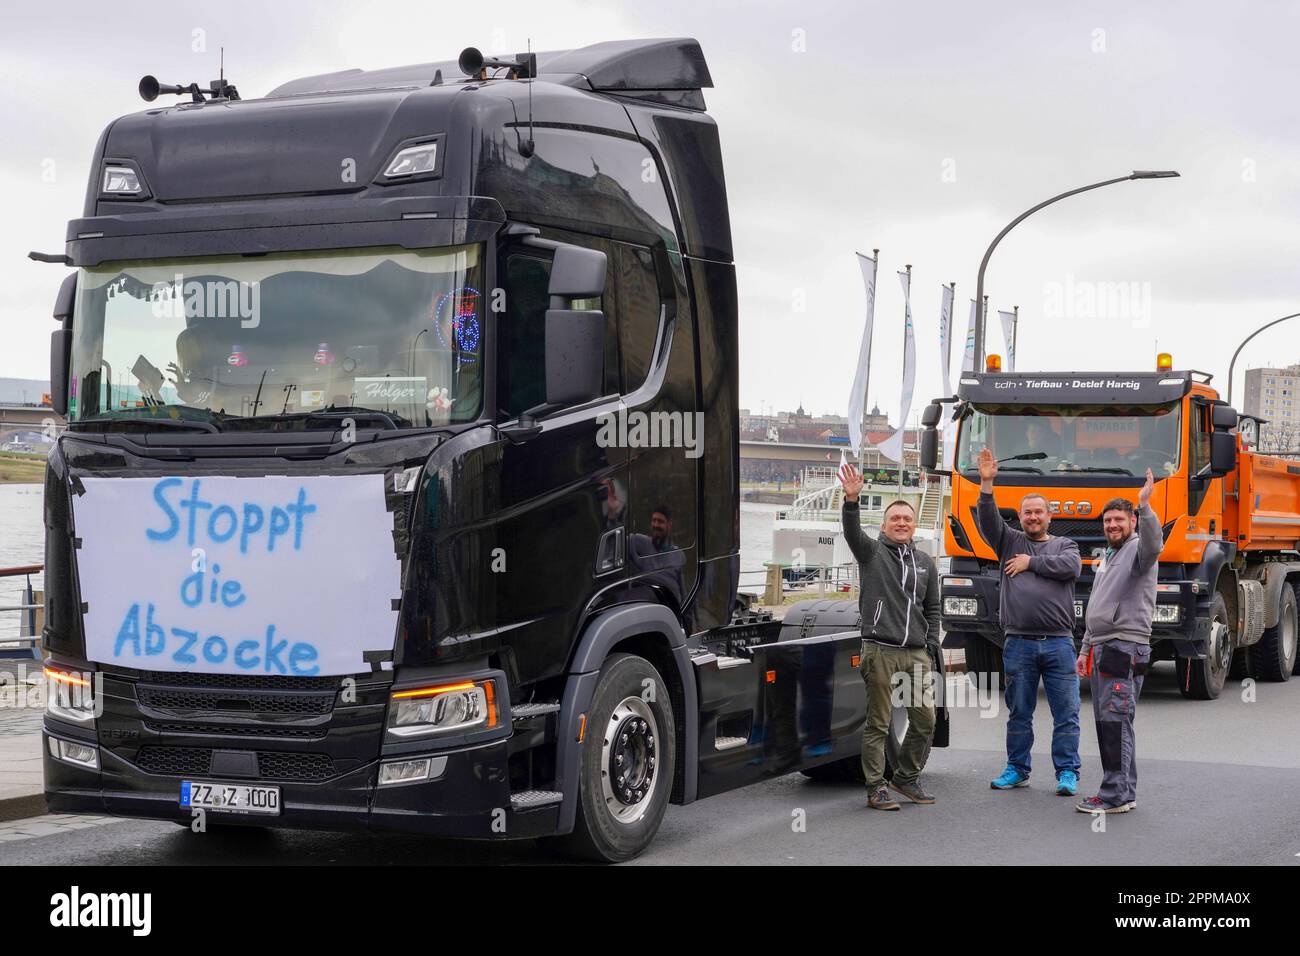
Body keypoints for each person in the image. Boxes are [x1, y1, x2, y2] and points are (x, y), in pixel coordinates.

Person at [974, 447, 1084, 796]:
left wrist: (1030, 563)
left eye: (1039, 512)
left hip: (1059, 643)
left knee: (1066, 713)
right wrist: (987, 484)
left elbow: (1071, 569)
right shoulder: (1008, 541)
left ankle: (1067, 772)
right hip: (1018, 642)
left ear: (1049, 516)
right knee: (1018, 712)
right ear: (1019, 517)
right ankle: (1017, 769)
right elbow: (988, 520)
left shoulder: (1066, 546)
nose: (1033, 517)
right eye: (1027, 513)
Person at [839, 462, 940, 811]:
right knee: (878, 724)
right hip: (880, 650)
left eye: (907, 520)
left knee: (925, 719)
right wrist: (851, 500)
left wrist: (932, 648)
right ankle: (875, 787)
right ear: (884, 525)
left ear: (914, 526)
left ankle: (906, 777)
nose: (901, 523)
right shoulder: (872, 553)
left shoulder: (926, 562)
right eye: (894, 519)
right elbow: (852, 532)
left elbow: (934, 610)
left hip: (915, 654)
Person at [1075, 469, 1160, 814]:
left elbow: (1156, 543)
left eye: (1119, 520)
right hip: (1104, 647)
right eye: (1108, 520)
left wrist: (1145, 505)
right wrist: (1085, 649)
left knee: (1114, 722)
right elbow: (1096, 609)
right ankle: (1124, 790)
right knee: (1112, 721)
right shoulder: (1110, 557)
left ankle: (1115, 795)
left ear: (1133, 523)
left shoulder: (1140, 550)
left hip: (1123, 647)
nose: (1112, 525)